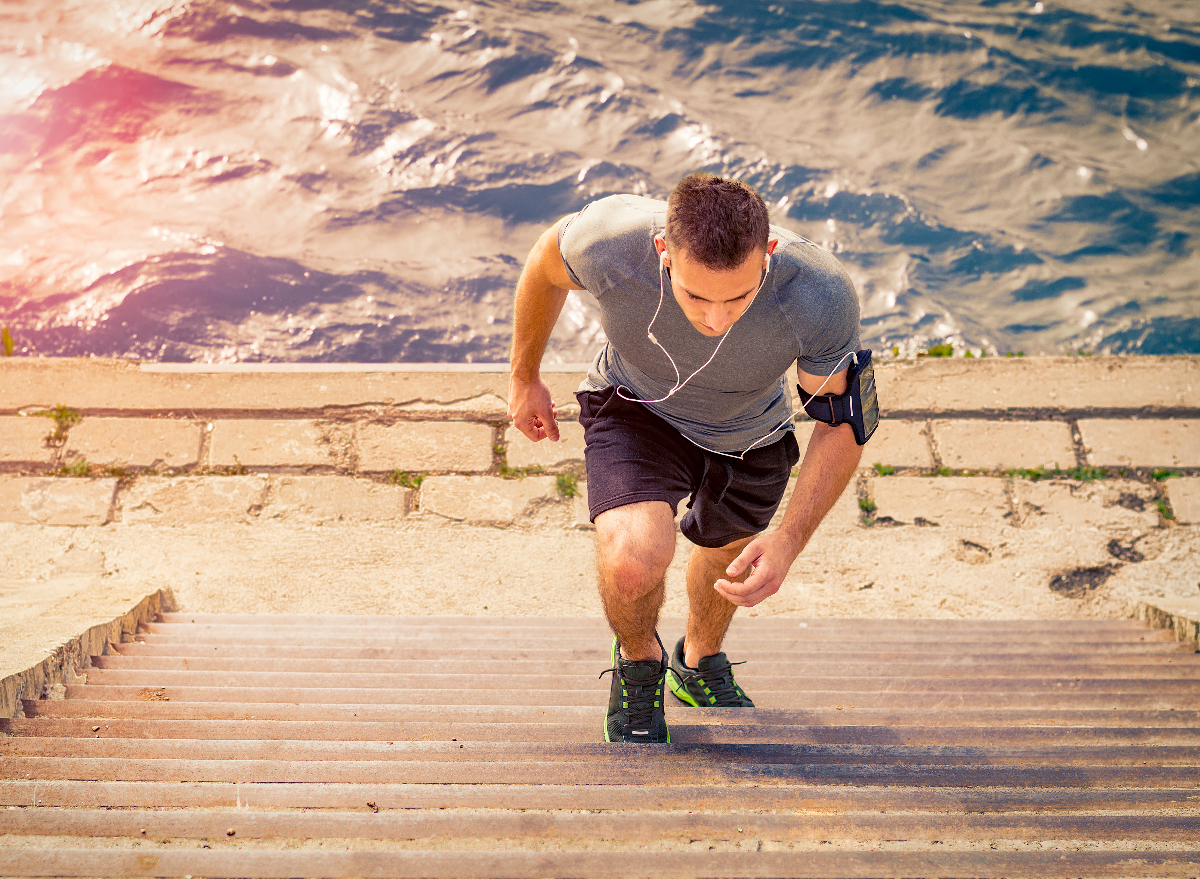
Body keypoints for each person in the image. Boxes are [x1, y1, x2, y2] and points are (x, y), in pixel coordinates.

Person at [507, 173, 870, 743]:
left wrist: (790, 539)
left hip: (751, 431)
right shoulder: (610, 240)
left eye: (739, 297)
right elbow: (543, 266)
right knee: (633, 555)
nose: (715, 320)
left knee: (728, 560)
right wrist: (523, 378)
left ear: (768, 254)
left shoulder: (818, 293)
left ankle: (697, 662)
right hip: (635, 406)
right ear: (663, 253)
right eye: (696, 295)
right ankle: (640, 662)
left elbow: (844, 423)